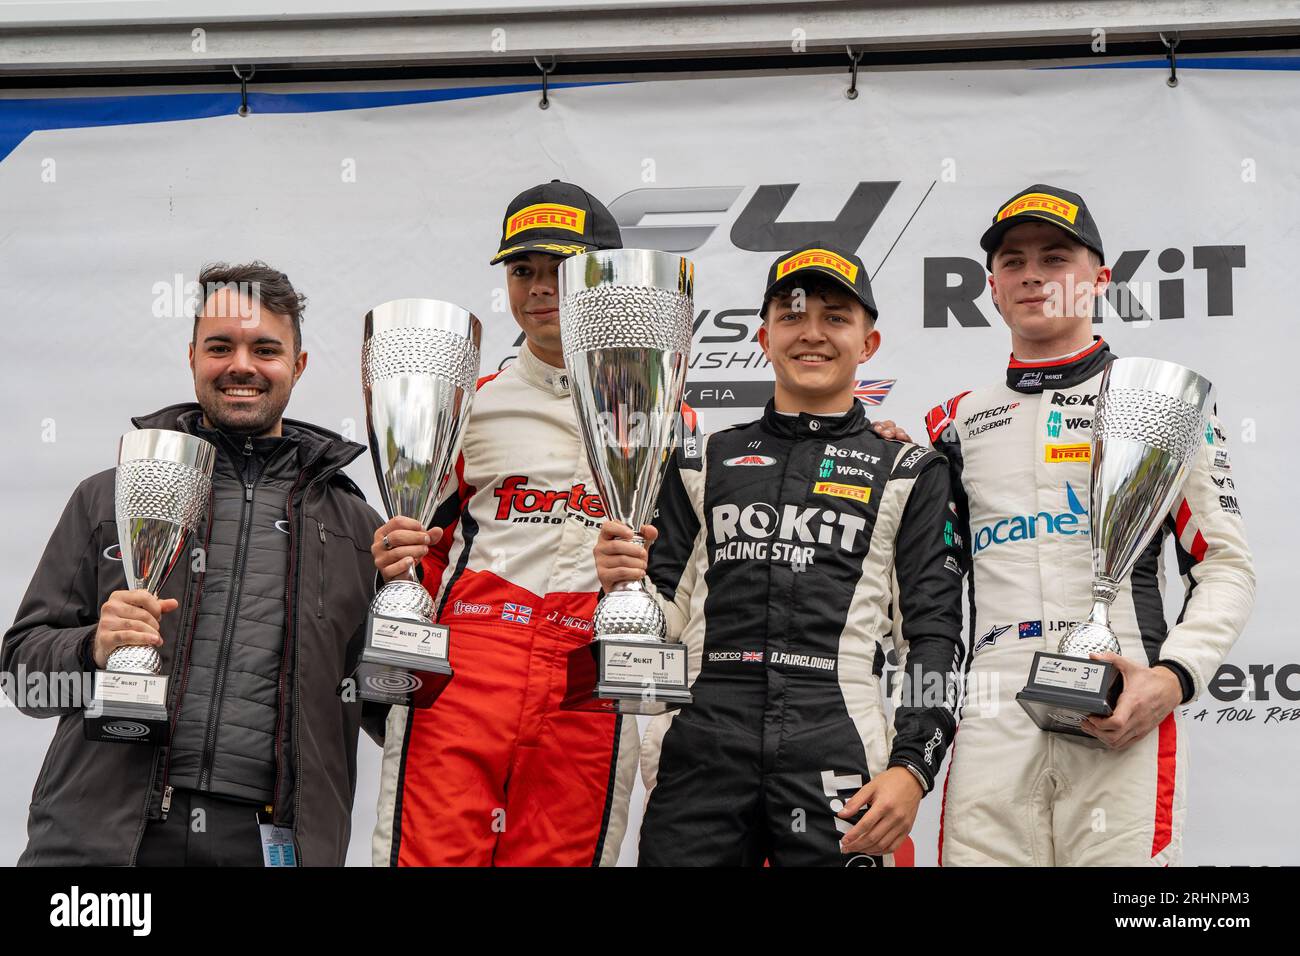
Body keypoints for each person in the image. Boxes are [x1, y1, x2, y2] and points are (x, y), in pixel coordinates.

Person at [2, 261, 385, 865]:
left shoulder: (358, 531)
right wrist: (91, 650)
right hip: (100, 841)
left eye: (265, 348)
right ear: (192, 357)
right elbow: (21, 675)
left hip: (271, 845)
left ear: (298, 365)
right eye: (220, 346)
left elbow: (391, 709)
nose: (242, 365)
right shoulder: (108, 495)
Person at [595, 242, 964, 866]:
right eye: (791, 317)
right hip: (703, 739)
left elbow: (932, 634)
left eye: (835, 317)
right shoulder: (698, 459)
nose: (811, 334)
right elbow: (667, 619)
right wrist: (621, 588)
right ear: (763, 338)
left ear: (868, 343)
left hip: (838, 736)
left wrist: (914, 765)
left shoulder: (908, 469)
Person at [919, 185, 1256, 865]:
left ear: (1099, 280)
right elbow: (926, 575)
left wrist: (1173, 677)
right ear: (991, 286)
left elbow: (1225, 565)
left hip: (1122, 693)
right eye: (1013, 261)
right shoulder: (950, 422)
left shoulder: (1163, 402)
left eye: (1056, 258)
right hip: (993, 706)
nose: (1033, 275)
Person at [370, 181, 639, 866]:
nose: (540, 288)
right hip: (470, 665)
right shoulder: (468, 407)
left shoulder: (665, 418)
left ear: (603, 278)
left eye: (562, 270)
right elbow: (420, 550)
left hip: (590, 672)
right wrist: (395, 570)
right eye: (524, 271)